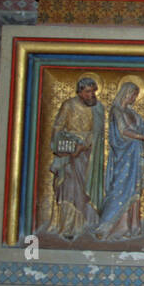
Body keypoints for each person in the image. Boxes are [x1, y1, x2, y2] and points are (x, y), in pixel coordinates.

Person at [37, 77, 104, 239]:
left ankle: (83, 224)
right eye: (88, 91)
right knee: (68, 186)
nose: (91, 95)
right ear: (80, 92)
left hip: (87, 154)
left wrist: (84, 145)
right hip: (68, 152)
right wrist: (63, 145)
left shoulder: (97, 108)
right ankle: (67, 226)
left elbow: (98, 134)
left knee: (83, 188)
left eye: (93, 91)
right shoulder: (69, 105)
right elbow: (58, 127)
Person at [94, 81, 144, 240]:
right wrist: (143, 137)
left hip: (136, 155)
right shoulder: (117, 111)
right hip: (124, 156)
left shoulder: (133, 113)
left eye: (136, 95)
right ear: (126, 94)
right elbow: (123, 131)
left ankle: (131, 226)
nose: (134, 98)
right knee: (120, 189)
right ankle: (110, 226)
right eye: (133, 94)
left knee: (134, 190)